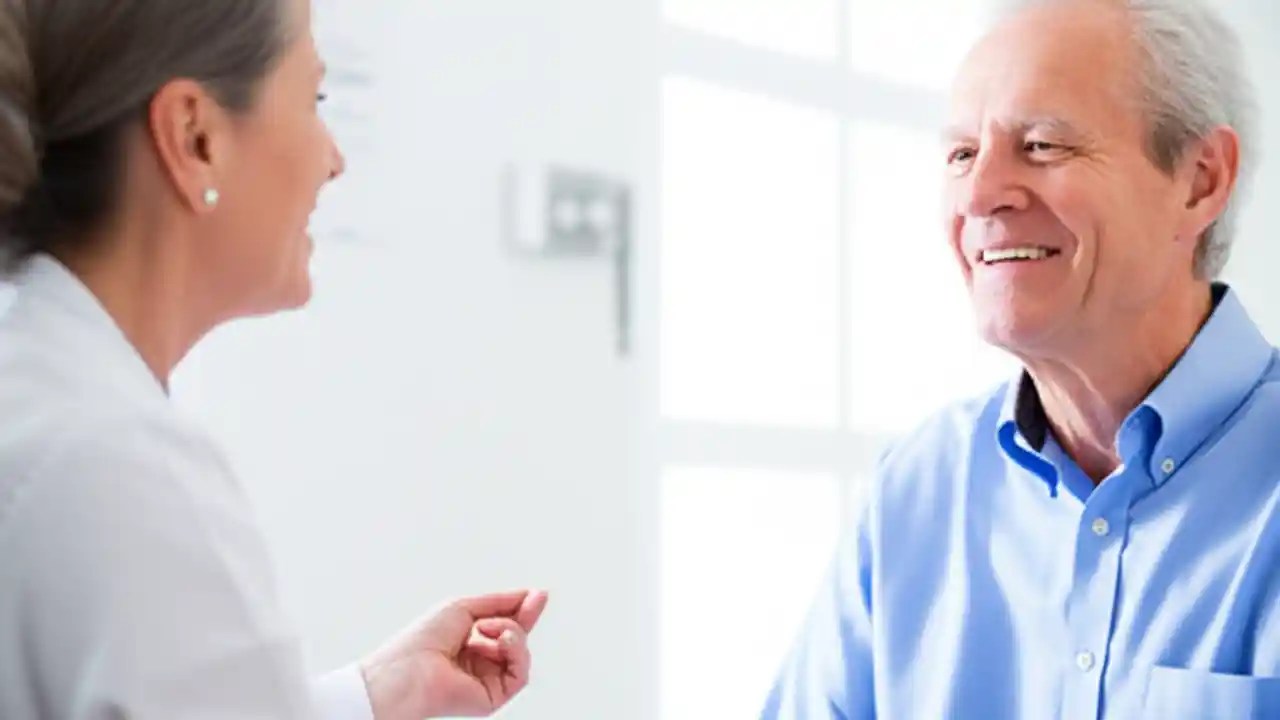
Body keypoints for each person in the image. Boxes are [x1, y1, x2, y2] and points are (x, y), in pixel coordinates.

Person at [0, 0, 548, 718]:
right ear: (195, 137)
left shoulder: (43, 389)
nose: (334, 158)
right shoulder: (118, 463)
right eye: (314, 99)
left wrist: (377, 693)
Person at [763, 0, 1280, 718]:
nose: (979, 195)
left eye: (1042, 144)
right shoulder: (915, 489)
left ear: (1199, 179)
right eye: (961, 154)